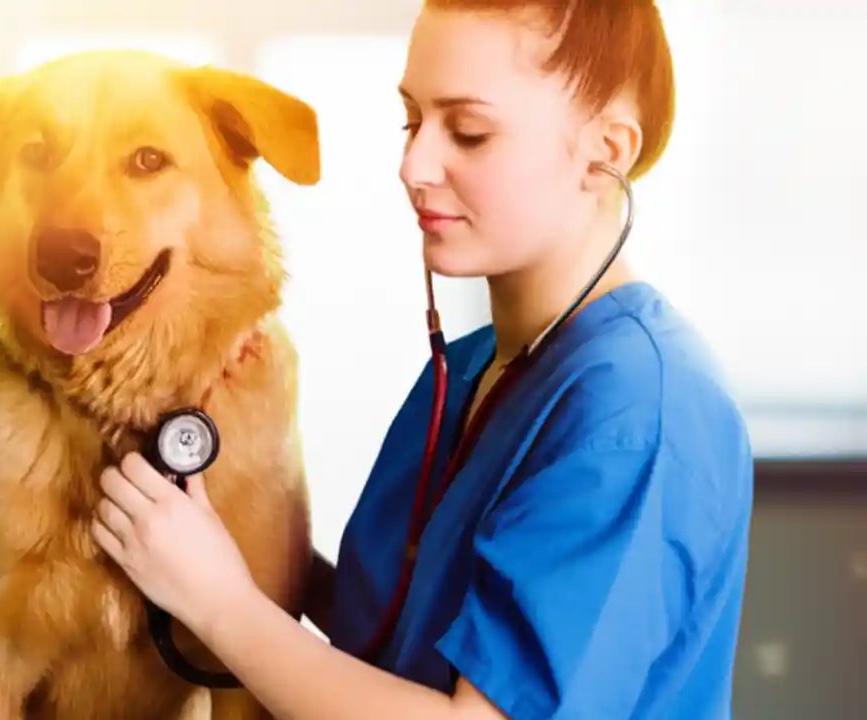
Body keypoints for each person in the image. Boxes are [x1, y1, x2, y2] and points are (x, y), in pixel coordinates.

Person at [90, 0, 755, 717]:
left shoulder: (640, 411)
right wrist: (238, 533)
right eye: (412, 120)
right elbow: (388, 634)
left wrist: (220, 603)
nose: (413, 165)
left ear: (607, 152)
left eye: (469, 132)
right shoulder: (468, 370)